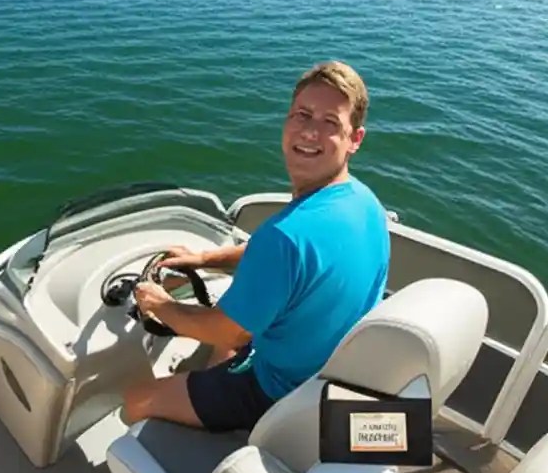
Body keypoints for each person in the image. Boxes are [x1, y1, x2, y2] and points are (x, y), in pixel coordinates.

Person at [123, 60, 390, 432]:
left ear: (354, 140)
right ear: (286, 120)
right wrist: (205, 258)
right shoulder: (364, 203)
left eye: (330, 123)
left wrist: (159, 304)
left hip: (277, 391)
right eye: (303, 115)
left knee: (135, 399)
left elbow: (227, 331)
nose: (310, 132)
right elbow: (296, 262)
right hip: (329, 370)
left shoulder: (285, 236)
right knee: (223, 352)